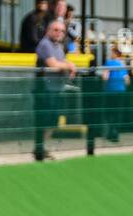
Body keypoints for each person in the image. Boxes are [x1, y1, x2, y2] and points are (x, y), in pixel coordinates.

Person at [33, 16, 76, 160]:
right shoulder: (45, 44)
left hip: (56, 89)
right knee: (44, 120)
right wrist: (69, 66)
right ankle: (39, 149)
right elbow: (53, 64)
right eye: (56, 30)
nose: (59, 33)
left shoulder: (59, 47)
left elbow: (61, 62)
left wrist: (69, 66)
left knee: (52, 120)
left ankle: (42, 148)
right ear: (48, 30)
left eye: (62, 31)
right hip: (44, 89)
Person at [98, 42, 129, 142]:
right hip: (121, 91)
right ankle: (115, 134)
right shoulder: (123, 64)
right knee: (118, 113)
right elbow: (127, 80)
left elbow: (105, 77)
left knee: (109, 113)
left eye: (112, 52)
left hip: (110, 91)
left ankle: (110, 133)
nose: (110, 54)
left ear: (115, 53)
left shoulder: (109, 62)